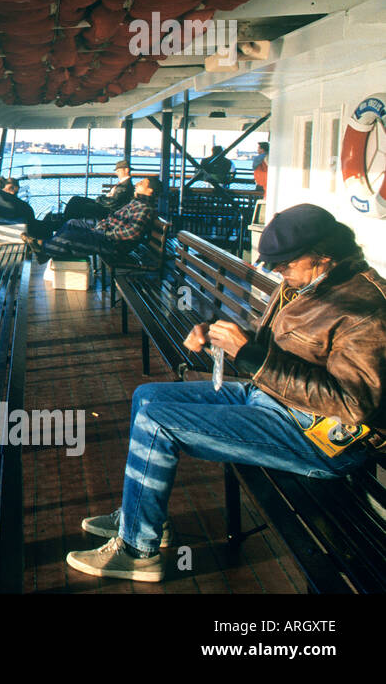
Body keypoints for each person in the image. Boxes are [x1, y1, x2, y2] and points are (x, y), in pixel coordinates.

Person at [66, 204, 386, 582]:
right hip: (270, 400)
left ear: (324, 256)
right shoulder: (307, 284)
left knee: (157, 422)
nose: (278, 273)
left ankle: (139, 551)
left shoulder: (365, 308)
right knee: (148, 397)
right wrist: (217, 332)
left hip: (318, 437)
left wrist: (249, 355)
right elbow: (278, 340)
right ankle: (142, 515)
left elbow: (355, 403)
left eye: (284, 264)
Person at [24, 176, 160, 262]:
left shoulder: (145, 208)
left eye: (142, 183)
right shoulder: (136, 203)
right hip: (104, 232)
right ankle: (46, 251)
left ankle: (43, 247)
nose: (137, 184)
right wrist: (101, 226)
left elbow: (133, 232)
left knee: (69, 236)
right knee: (72, 223)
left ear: (150, 191)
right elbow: (117, 220)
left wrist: (104, 233)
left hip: (112, 244)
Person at [61, 160, 135, 221]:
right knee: (76, 199)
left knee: (76, 203)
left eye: (118, 170)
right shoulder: (124, 184)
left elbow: (112, 202)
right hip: (105, 206)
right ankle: (68, 221)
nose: (116, 173)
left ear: (126, 170)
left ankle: (65, 222)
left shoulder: (126, 185)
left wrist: (99, 199)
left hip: (106, 211)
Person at [0, 176, 53, 240]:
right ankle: (45, 246)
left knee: (46, 225)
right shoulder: (4, 198)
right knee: (47, 227)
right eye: (16, 191)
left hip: (11, 222)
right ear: (11, 188)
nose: (16, 194)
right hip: (15, 225)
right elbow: (14, 209)